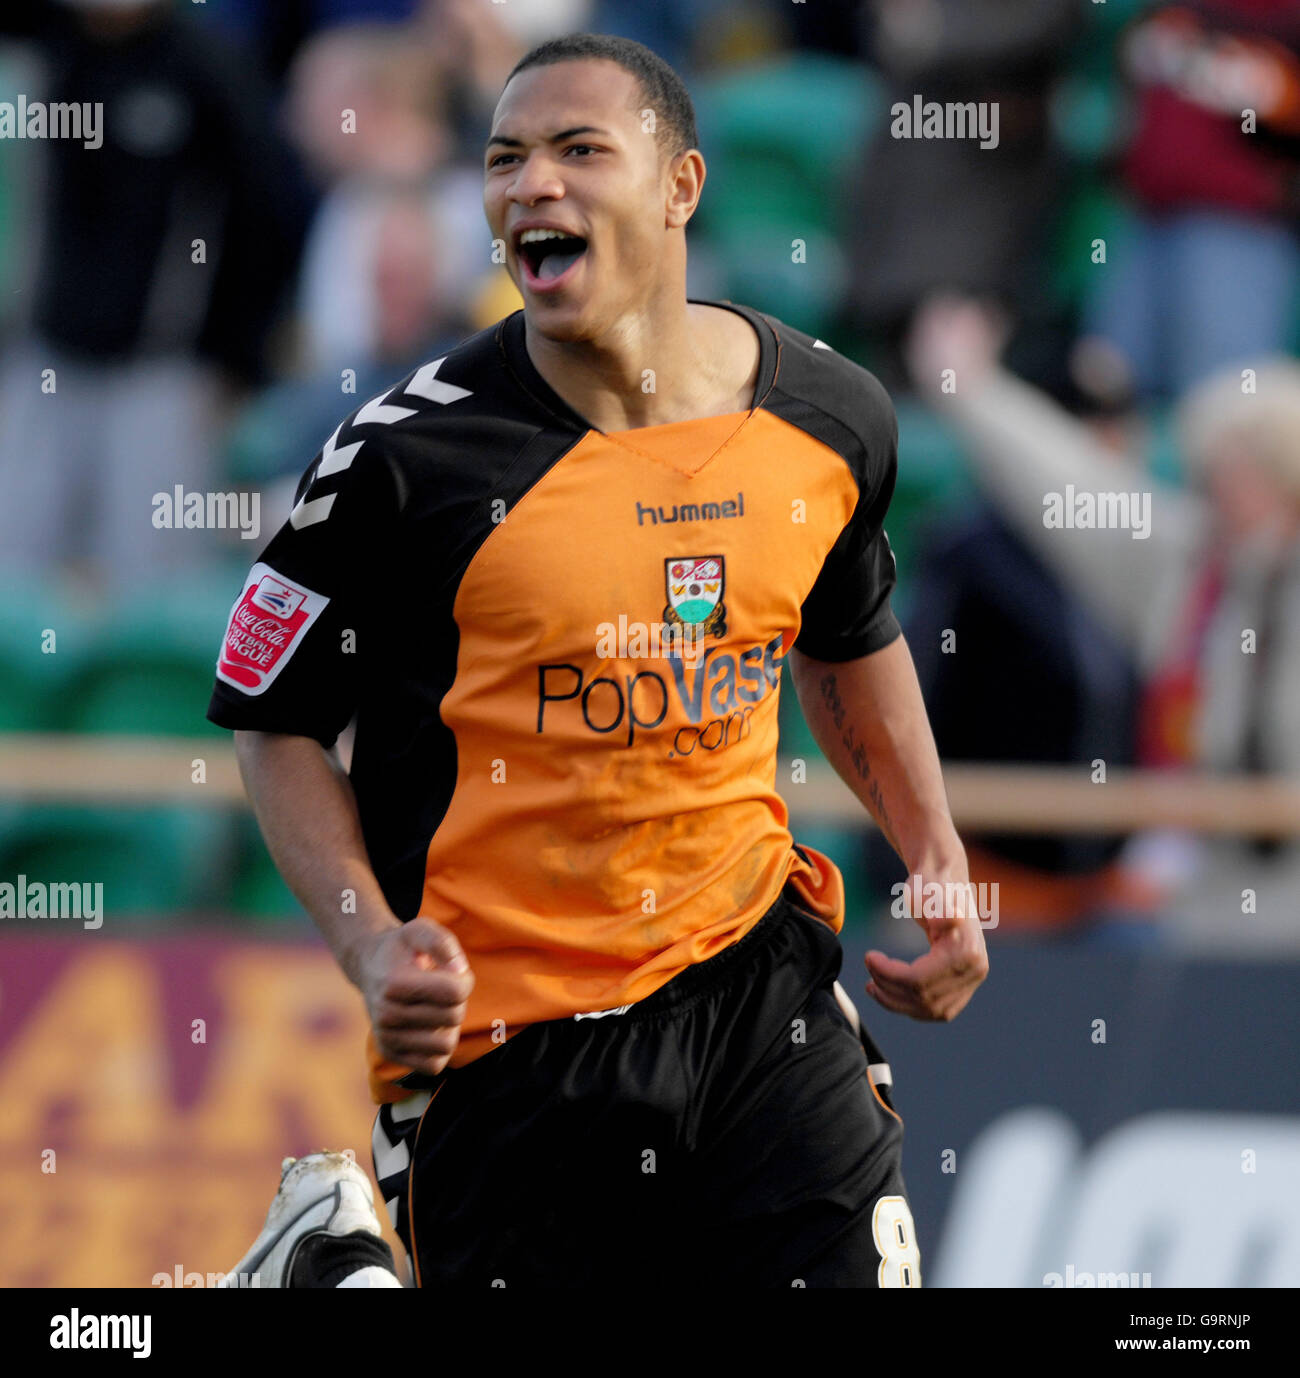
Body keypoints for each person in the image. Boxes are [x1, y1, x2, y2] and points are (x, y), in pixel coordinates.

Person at [208, 32, 987, 1290]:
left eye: (580, 150)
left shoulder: (829, 417)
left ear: (680, 187)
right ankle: (327, 1260)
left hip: (754, 990)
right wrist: (369, 946)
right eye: (505, 158)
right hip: (510, 1041)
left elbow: (848, 641)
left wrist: (933, 849)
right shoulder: (398, 464)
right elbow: (272, 717)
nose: (532, 186)